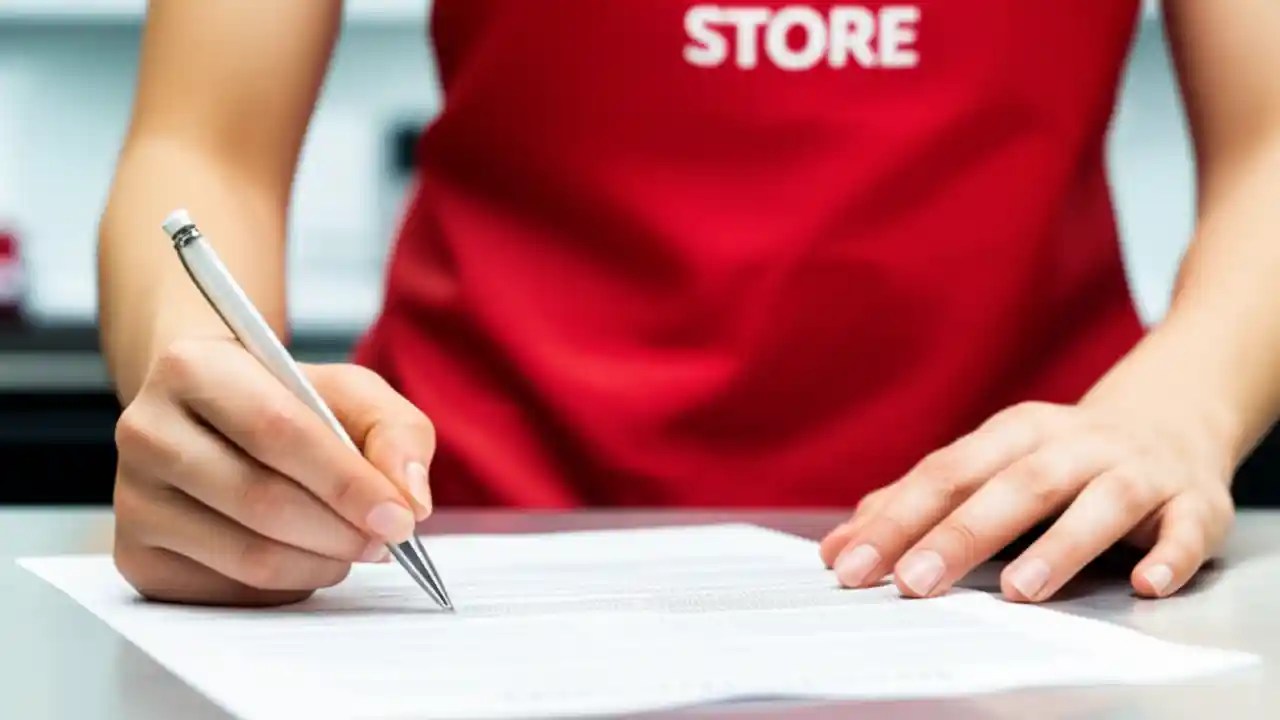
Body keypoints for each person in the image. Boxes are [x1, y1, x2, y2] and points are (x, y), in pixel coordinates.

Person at [99, 1, 1280, 607]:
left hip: (1028, 565)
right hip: (455, 545)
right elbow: (202, 148)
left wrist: (1179, 407)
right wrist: (217, 400)